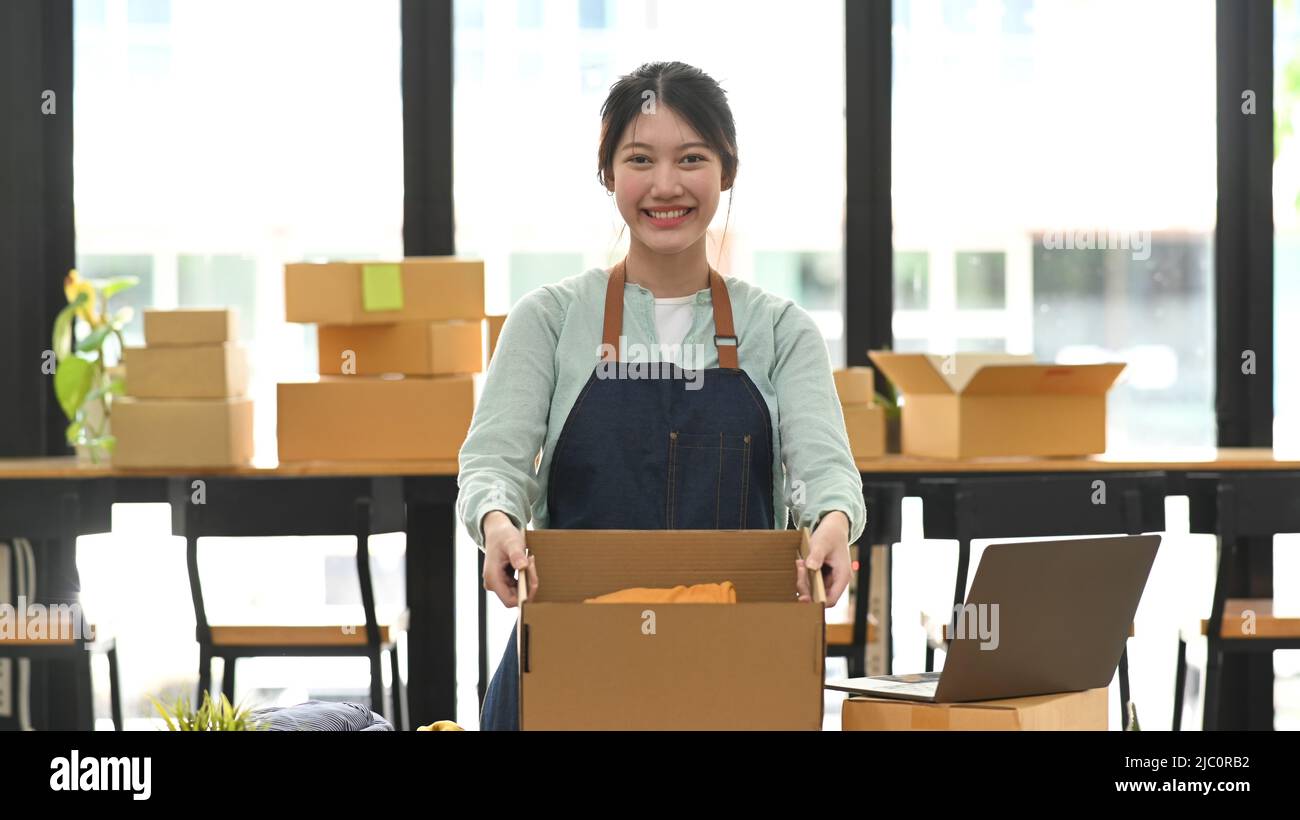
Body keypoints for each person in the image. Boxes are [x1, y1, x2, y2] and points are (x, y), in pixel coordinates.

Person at [457, 61, 866, 731]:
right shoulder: (551, 320)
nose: (666, 185)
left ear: (726, 172)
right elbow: (493, 464)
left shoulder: (781, 329)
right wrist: (498, 524)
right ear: (608, 174)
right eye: (640, 159)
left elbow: (825, 472)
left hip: (736, 669)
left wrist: (833, 525)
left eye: (692, 158)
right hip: (572, 663)